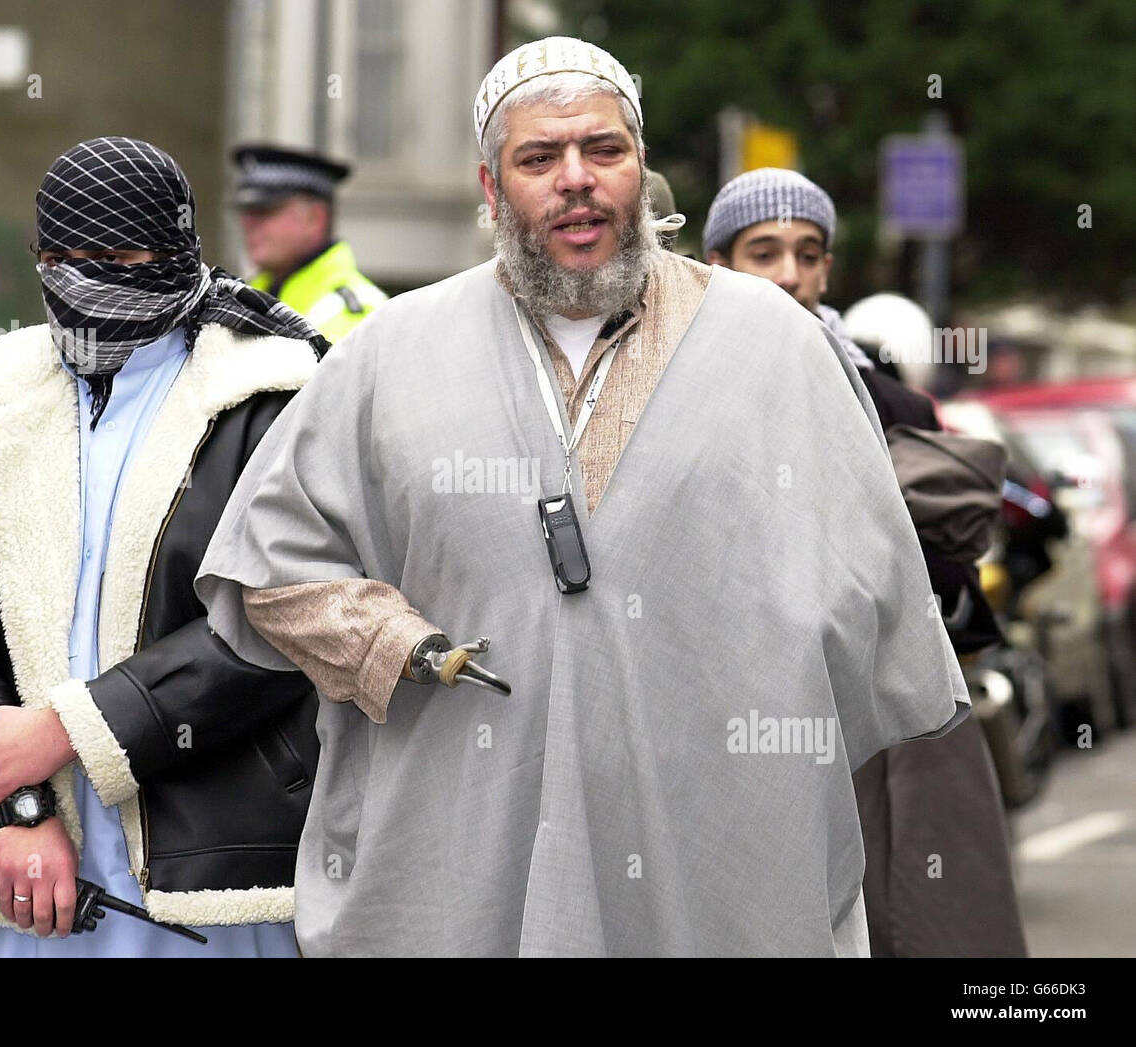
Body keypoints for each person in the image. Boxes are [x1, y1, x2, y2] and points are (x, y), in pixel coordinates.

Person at [194, 37, 970, 958]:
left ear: (642, 170)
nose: (577, 180)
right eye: (538, 158)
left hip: (711, 839)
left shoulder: (773, 344)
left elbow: (874, 600)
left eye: (605, 151)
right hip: (462, 826)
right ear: (491, 189)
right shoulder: (392, 351)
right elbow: (269, 564)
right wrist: (392, 645)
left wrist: (718, 682)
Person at [0, 136, 324, 957]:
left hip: (210, 888)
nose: (84, 279)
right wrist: (16, 801)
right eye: (62, 257)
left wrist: (70, 731)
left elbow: (281, 619)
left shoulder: (274, 399)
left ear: (177, 246)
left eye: (116, 254)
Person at [704, 167, 1028, 957]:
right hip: (722, 708)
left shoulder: (892, 402)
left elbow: (941, 581)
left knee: (895, 907)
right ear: (718, 264)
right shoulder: (675, 388)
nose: (789, 273)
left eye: (808, 253)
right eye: (764, 251)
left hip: (864, 713)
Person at [232, 144, 387, 342]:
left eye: (264, 211)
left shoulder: (361, 316)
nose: (248, 224)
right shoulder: (243, 297)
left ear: (315, 218)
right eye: (245, 212)